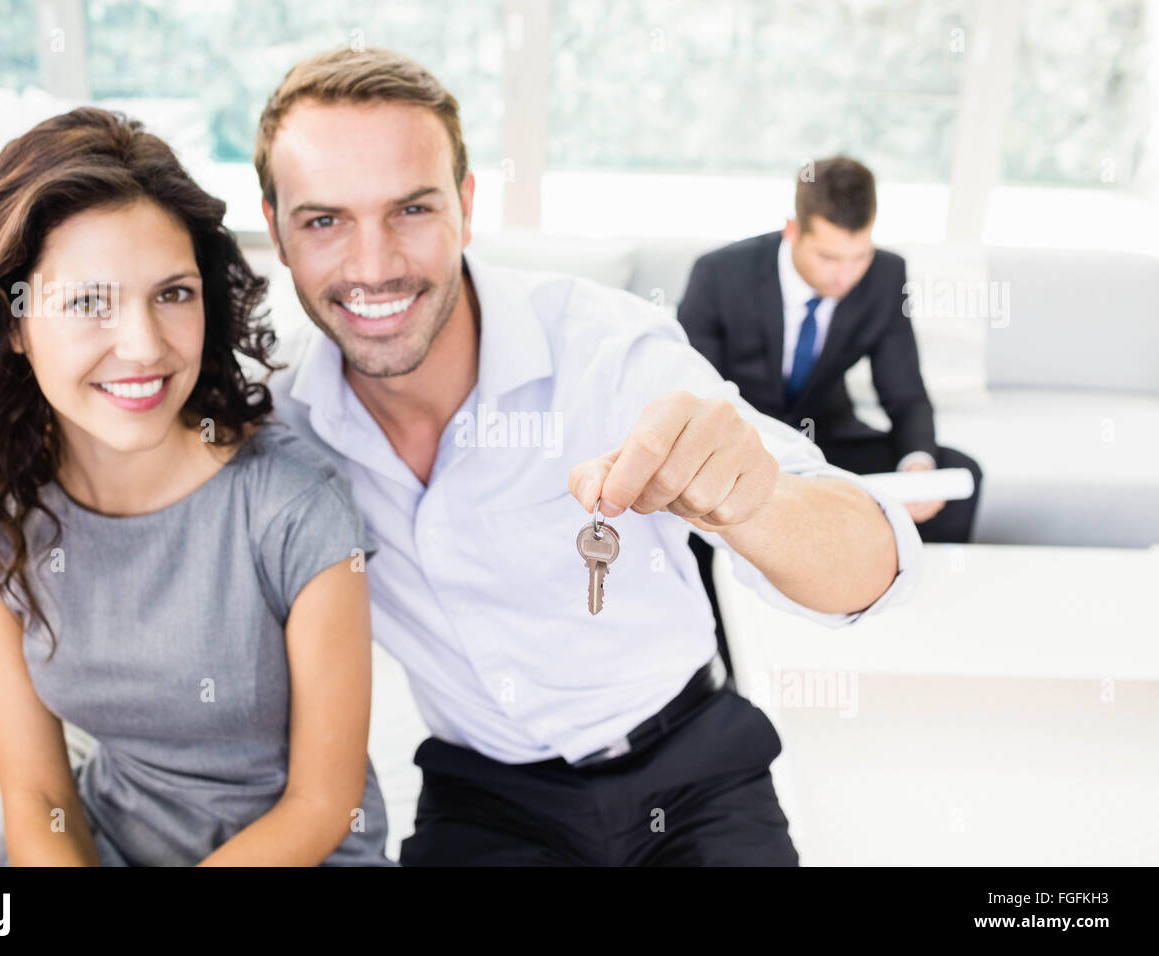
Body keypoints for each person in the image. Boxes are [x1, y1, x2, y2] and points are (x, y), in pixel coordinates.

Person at [253, 47, 923, 865]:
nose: (373, 265)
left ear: (466, 203)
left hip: (693, 768)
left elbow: (876, 563)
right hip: (486, 799)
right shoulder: (278, 421)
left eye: (412, 209)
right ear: (276, 230)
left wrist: (758, 506)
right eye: (323, 221)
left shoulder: (608, 351)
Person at [0, 107, 390, 866]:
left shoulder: (293, 507)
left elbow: (322, 805)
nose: (144, 346)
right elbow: (39, 796)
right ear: (14, 323)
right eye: (90, 302)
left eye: (173, 294)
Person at [677, 155, 983, 545]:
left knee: (957, 475)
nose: (845, 275)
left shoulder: (885, 276)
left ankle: (891, 581)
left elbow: (905, 394)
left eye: (860, 256)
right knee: (685, 496)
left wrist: (917, 465)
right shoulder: (719, 274)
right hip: (740, 442)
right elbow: (696, 391)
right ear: (792, 231)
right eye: (828, 258)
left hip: (826, 442)